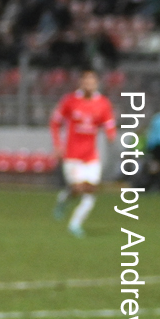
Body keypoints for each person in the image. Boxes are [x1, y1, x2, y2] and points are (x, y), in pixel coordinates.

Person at [50, 70, 117, 237]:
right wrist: (58, 144)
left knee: (90, 192)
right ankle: (63, 199)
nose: (89, 84)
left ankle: (75, 225)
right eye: (86, 81)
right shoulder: (70, 101)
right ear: (81, 82)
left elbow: (108, 123)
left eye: (92, 81)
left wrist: (111, 135)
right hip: (72, 155)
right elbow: (55, 122)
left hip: (91, 156)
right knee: (78, 189)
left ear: (97, 83)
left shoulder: (103, 103)